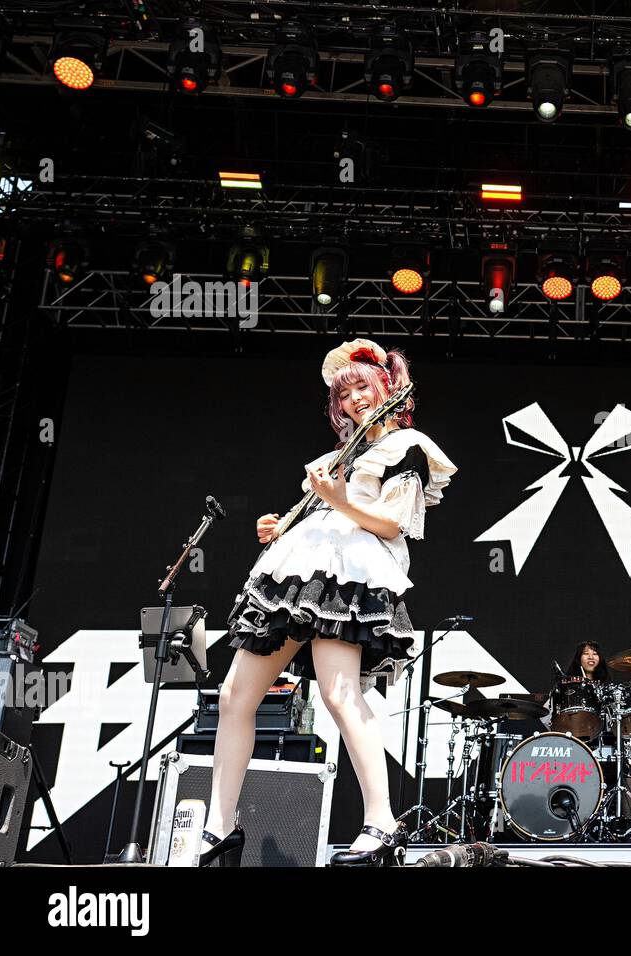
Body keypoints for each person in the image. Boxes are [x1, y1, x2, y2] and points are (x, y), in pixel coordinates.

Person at [201, 339, 457, 867]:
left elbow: (393, 524)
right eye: (344, 394)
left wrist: (338, 499)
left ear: (385, 387)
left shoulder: (406, 447)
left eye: (362, 387)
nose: (354, 400)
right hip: (298, 573)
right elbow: (321, 517)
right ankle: (220, 827)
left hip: (350, 576)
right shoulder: (339, 456)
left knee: (340, 695)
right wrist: (278, 525)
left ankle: (382, 822)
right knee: (233, 696)